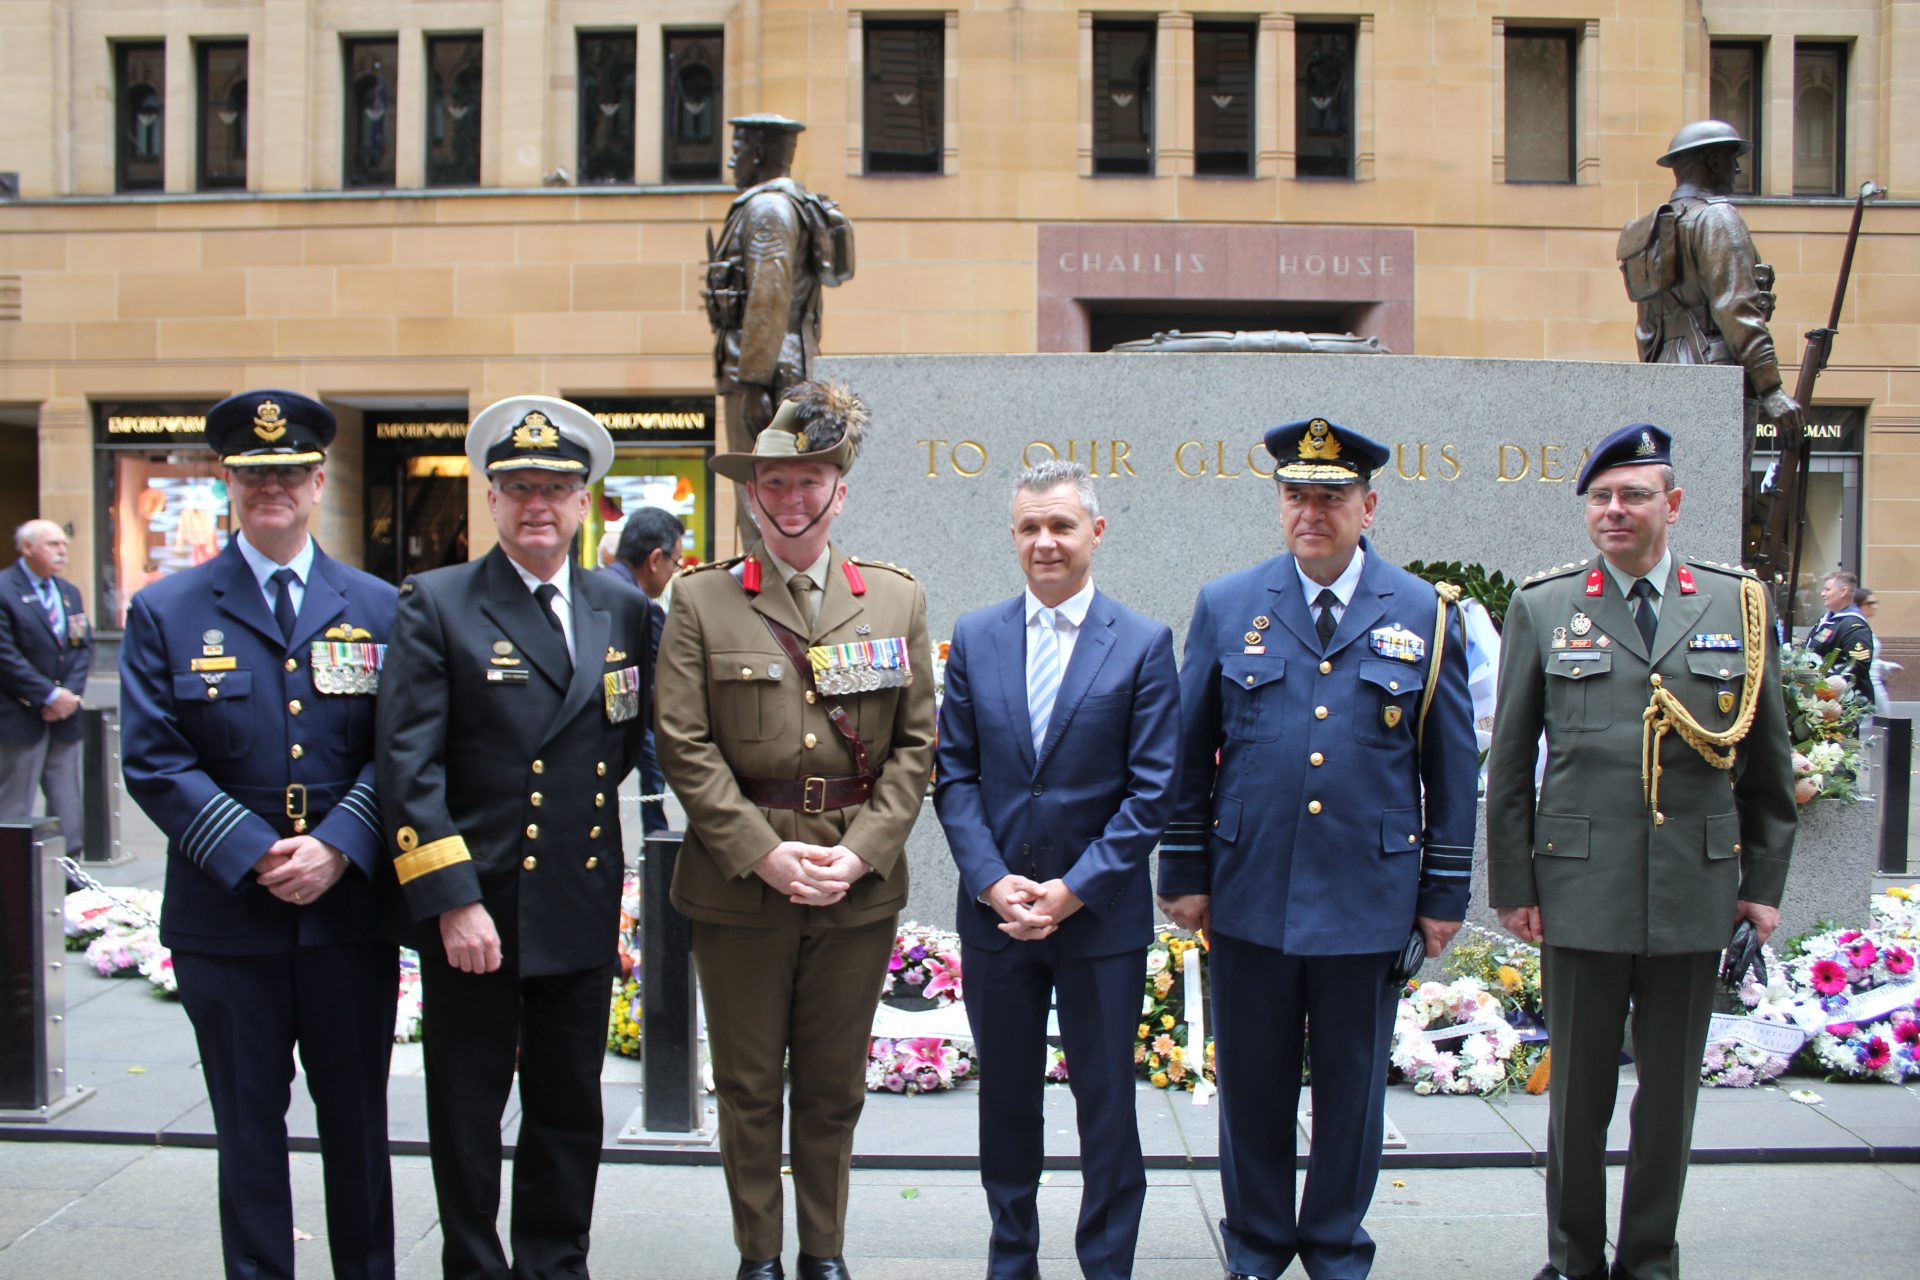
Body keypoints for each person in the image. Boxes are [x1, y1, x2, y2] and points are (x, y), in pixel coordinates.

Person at [1157, 417, 1478, 1280]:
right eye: (1297, 494)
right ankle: (1258, 1246)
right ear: (1280, 505)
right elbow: (1192, 752)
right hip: (1250, 885)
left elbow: (1453, 765)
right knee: (1252, 1089)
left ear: (1368, 506)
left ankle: (1335, 1245)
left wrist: (1443, 891)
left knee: (1352, 1094)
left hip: (1366, 892)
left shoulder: (1423, 610)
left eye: (1331, 496)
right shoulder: (1230, 605)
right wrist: (1183, 872)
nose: (1312, 511)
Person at [1485, 423, 1797, 1280]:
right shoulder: (1546, 606)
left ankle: (1650, 1259)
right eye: (1600, 498)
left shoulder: (1737, 605)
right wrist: (1514, 884)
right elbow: (1511, 765)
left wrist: (1762, 885)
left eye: (1633, 496)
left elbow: (1769, 765)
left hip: (1696, 887)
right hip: (1581, 885)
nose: (1614, 512)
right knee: (1577, 1097)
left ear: (1673, 505)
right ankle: (1575, 1259)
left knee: (1670, 1099)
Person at [655, 380, 935, 1280]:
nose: (790, 499)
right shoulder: (702, 600)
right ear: (751, 493)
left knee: (831, 1090)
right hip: (740, 887)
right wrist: (764, 854)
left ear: (839, 491)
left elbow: (917, 745)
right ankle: (760, 1257)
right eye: (772, 482)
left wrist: (858, 856)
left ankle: (823, 1253)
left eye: (809, 480)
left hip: (855, 888)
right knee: (746, 1089)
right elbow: (684, 744)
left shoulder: (892, 599)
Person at [119, 390, 398, 1280]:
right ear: (227, 482)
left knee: (358, 1126)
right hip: (226, 922)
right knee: (245, 1129)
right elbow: (155, 760)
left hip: (347, 918)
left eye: (287, 473)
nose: (269, 488)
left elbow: (404, 751)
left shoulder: (382, 606)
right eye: (251, 474)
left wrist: (338, 846)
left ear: (319, 480)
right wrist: (257, 854)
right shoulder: (166, 609)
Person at [375, 395, 653, 1280]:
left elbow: (642, 741)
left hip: (577, 898)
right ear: (490, 501)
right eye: (519, 488)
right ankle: (473, 1265)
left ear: (586, 504)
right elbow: (408, 767)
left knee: (569, 1106)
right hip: (479, 906)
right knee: (467, 1106)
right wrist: (452, 902)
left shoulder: (621, 605)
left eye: (558, 488)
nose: (539, 505)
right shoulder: (441, 602)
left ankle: (552, 1264)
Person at [934, 460, 1181, 1280]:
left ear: (1095, 533)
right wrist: (988, 878)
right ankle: (1013, 1260)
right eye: (1029, 527)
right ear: (1013, 536)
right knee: (1006, 1105)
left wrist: (1075, 890)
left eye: (1061, 525)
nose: (1045, 541)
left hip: (1099, 921)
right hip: (998, 919)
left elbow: (1152, 792)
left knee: (1106, 1104)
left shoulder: (1143, 644)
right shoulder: (976, 636)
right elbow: (956, 774)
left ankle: (1106, 1263)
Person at [705, 114, 850, 541]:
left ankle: (759, 595)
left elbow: (768, 296)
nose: (732, 163)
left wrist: (751, 379)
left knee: (761, 497)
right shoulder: (791, 205)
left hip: (767, 368)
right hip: (778, 362)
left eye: (737, 152)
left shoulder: (768, 209)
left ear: (758, 152)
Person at [1627, 121, 1804, 439]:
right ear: (1710, 160)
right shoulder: (1718, 216)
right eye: (1731, 156)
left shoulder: (1653, 228)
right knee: (1726, 486)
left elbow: (1646, 331)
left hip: (1667, 375)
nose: (1736, 167)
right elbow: (1735, 308)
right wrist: (1771, 388)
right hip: (1716, 370)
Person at [0, 519, 90, 860]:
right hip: (20, 715)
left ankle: (70, 877)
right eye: (53, 544)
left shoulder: (69, 593)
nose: (62, 551)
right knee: (14, 804)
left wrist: (67, 696)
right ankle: (10, 878)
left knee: (67, 800)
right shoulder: (5, 590)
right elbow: (5, 655)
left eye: (64, 545)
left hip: (65, 716)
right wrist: (47, 696)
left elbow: (82, 647)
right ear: (27, 548)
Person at [599, 506, 685, 836]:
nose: (673, 572)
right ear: (654, 559)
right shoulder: (637, 606)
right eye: (674, 563)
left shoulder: (590, 586)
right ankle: (654, 839)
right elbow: (651, 687)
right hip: (617, 723)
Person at [1808, 570, 1874, 693]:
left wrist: (1828, 684)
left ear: (1843, 591)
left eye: (1827, 589)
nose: (1823, 594)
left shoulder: (1855, 626)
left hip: (1845, 700)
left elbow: (1857, 665)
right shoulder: (1826, 619)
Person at [1856, 589, 1895, 716]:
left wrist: (1884, 665)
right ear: (1858, 605)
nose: (1875, 607)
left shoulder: (1864, 625)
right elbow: (1859, 657)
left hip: (1873, 679)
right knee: (1881, 718)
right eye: (1870, 603)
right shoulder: (1857, 627)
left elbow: (1869, 656)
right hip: (1868, 680)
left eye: (1875, 603)